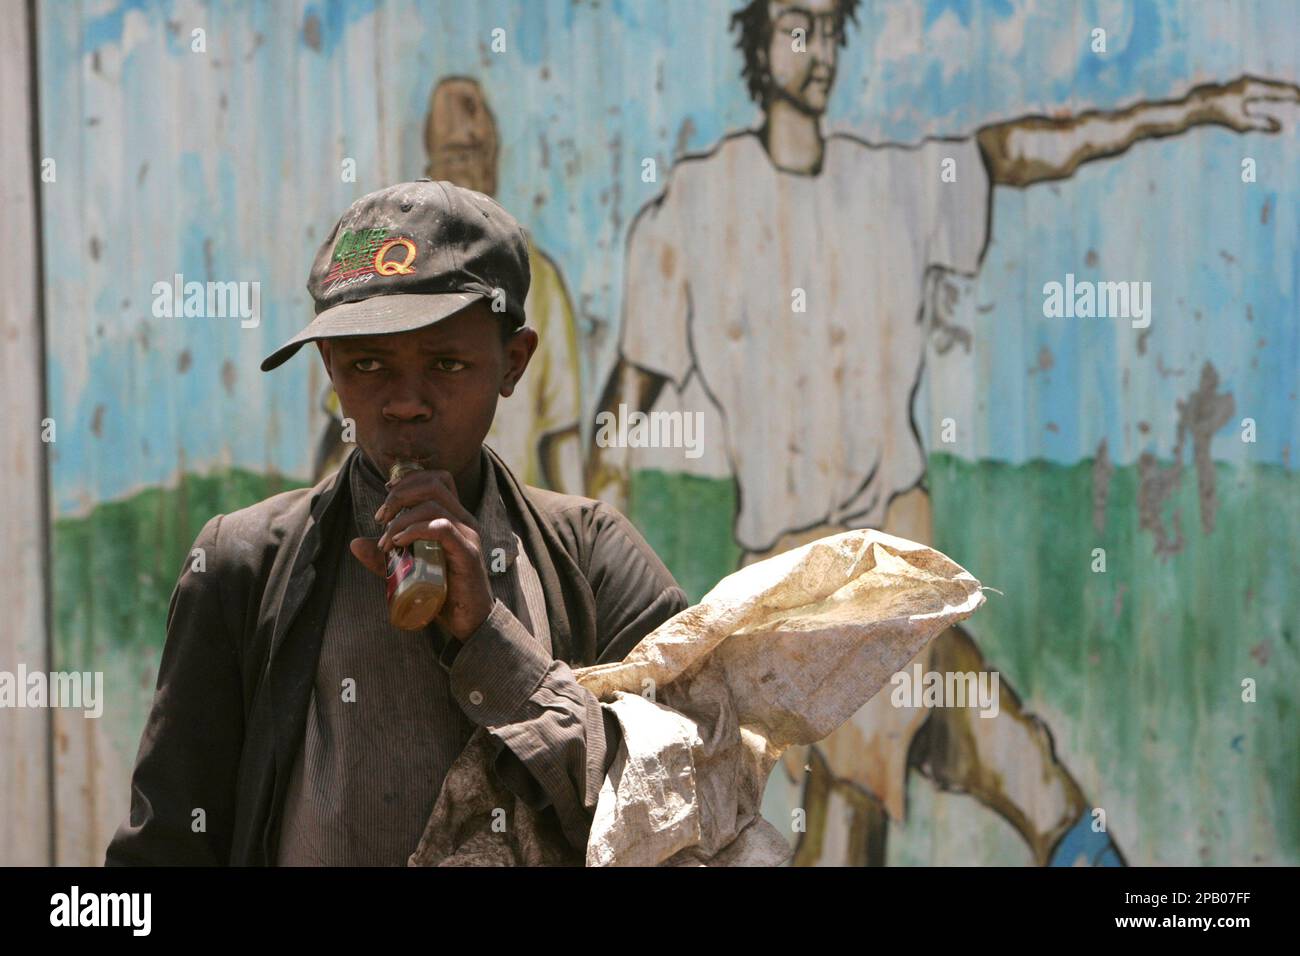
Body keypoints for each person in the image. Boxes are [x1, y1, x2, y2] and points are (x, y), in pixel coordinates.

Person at [589, 0, 1295, 866]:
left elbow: (1022, 151)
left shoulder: (889, 183)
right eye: (795, 26)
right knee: (863, 817)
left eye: (831, 29)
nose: (818, 50)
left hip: (899, 581)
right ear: (758, 45)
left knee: (1028, 787)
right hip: (798, 605)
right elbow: (616, 425)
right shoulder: (696, 207)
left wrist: (1192, 109)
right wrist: (610, 629)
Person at [105, 180, 689, 866]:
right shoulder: (243, 565)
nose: (406, 404)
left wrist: (491, 643)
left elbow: (680, 804)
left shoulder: (591, 560)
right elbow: (168, 846)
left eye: (446, 363)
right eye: (369, 365)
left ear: (513, 362)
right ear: (331, 370)